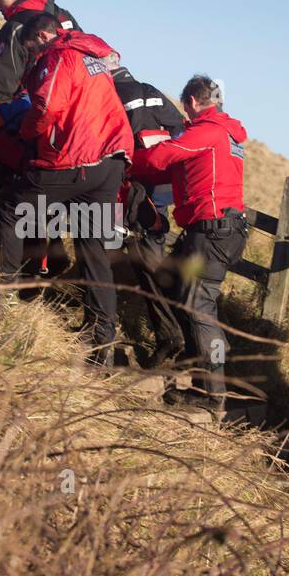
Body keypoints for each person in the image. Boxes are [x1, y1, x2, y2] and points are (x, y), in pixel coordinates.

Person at [0, 12, 132, 363]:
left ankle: (3, 294)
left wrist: (26, 132)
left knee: (11, 208)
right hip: (111, 161)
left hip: (75, 158)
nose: (32, 58)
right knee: (94, 251)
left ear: (42, 36)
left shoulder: (58, 55)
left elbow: (47, 105)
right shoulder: (93, 58)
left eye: (31, 50)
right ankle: (102, 342)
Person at [130, 75, 248, 413]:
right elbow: (186, 169)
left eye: (186, 107)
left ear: (193, 102)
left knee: (200, 310)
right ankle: (206, 375)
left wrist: (126, 161)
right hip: (217, 229)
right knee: (186, 296)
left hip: (211, 232)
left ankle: (212, 396)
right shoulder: (226, 133)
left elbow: (163, 156)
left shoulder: (206, 130)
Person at [109, 55, 186, 367]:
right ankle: (173, 337)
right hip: (161, 192)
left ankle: (107, 333)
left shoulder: (113, 96)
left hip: (129, 192)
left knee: (109, 257)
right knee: (146, 262)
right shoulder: (153, 91)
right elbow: (180, 131)